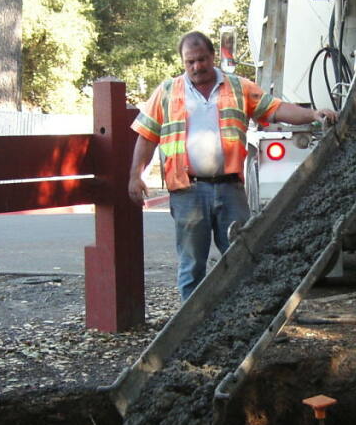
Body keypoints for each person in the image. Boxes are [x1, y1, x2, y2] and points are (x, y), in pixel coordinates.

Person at [128, 30, 338, 301]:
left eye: (202, 60)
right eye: (189, 62)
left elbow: (274, 109)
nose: (196, 67)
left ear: (213, 56)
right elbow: (147, 136)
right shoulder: (167, 92)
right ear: (182, 61)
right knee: (192, 264)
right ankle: (190, 327)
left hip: (230, 189)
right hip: (187, 191)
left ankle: (244, 319)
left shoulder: (238, 87)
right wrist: (135, 175)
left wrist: (312, 114)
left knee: (241, 258)